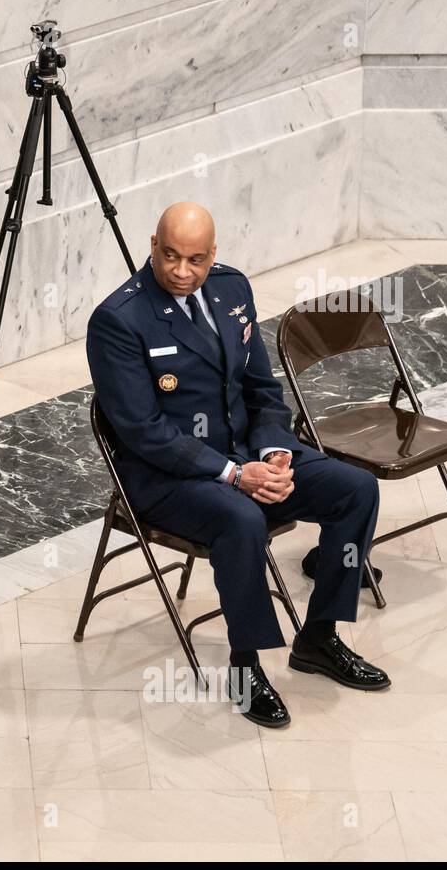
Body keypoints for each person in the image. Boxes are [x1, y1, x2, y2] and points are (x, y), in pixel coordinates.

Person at [86, 201, 390, 727]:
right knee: (242, 519)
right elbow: (144, 432)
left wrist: (272, 450)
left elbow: (261, 391)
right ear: (152, 247)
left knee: (355, 488)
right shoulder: (118, 320)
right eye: (171, 256)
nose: (183, 272)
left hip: (247, 453)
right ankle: (245, 667)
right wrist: (233, 474)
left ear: (214, 255)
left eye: (196, 259)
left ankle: (318, 638)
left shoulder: (232, 289)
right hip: (166, 476)